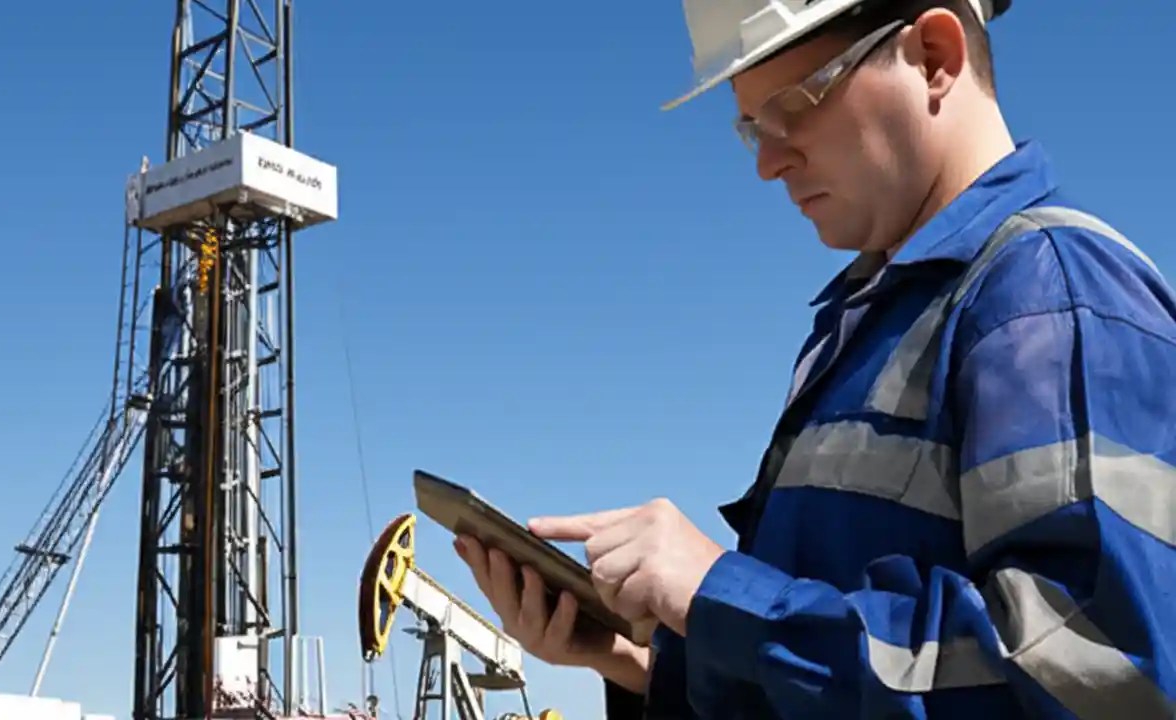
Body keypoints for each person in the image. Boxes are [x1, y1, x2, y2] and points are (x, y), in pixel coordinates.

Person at [454, 0, 1176, 717]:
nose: (769, 162)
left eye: (796, 104)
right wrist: (646, 660)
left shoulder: (1048, 296)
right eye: (751, 128)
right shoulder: (868, 326)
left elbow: (1101, 675)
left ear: (934, 56)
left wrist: (720, 592)